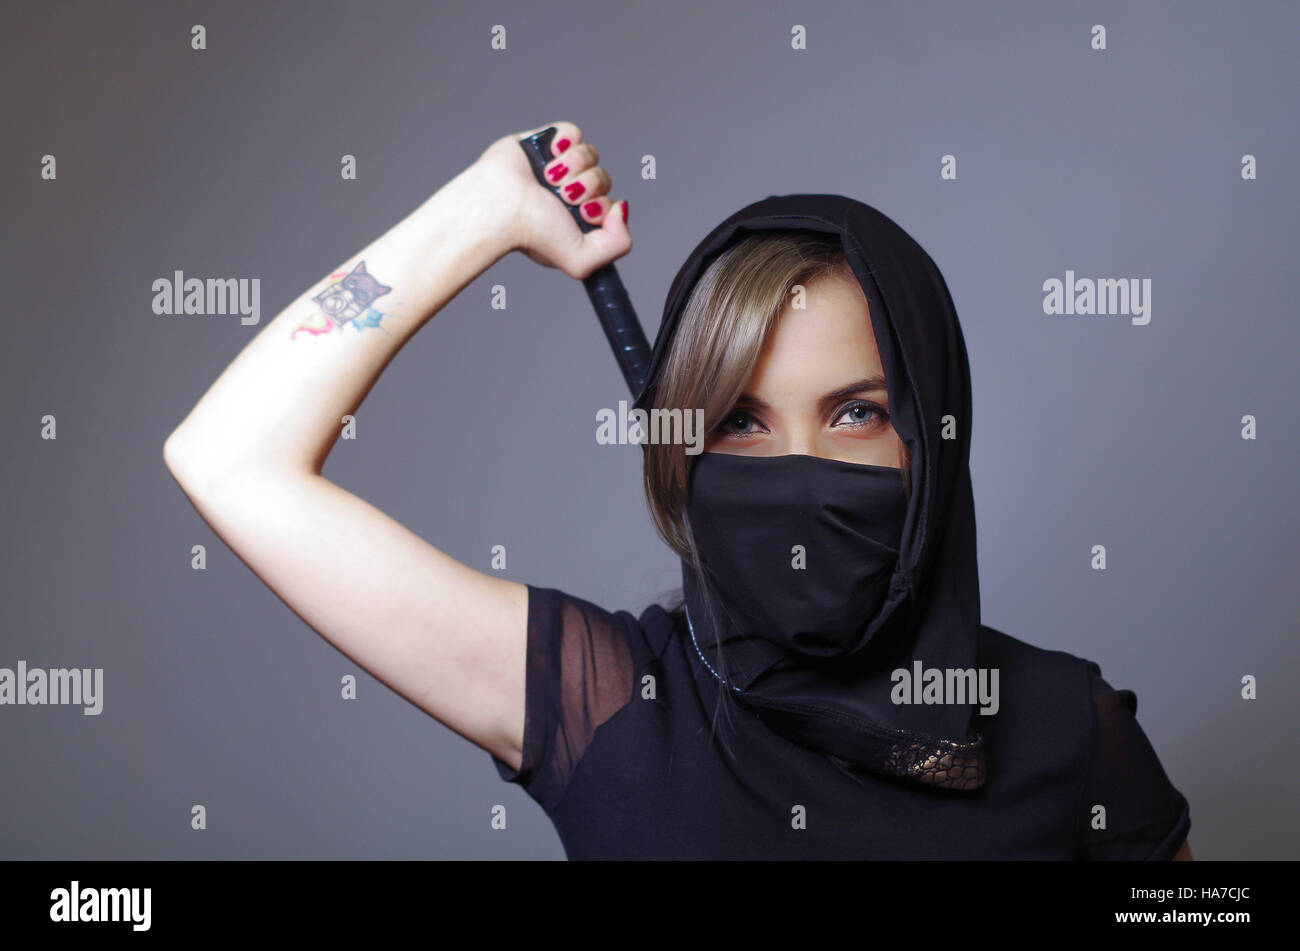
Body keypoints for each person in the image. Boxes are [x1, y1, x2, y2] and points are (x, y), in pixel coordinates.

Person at [163, 120, 1192, 860]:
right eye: (741, 422)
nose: (797, 469)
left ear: (932, 436)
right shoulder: (608, 708)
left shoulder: (1073, 730)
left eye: (855, 413)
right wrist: (484, 210)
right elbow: (228, 455)